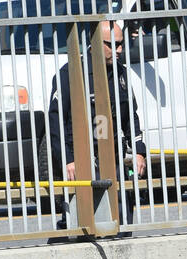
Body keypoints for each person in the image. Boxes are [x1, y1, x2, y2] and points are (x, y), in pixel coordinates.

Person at [45, 21, 146, 228]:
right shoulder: (71, 74)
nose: (119, 50)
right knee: (84, 224)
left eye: (121, 44)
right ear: (96, 43)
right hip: (81, 160)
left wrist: (138, 151)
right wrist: (68, 159)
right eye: (112, 45)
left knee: (121, 220)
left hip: (112, 157)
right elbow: (56, 124)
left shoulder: (121, 74)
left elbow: (131, 117)